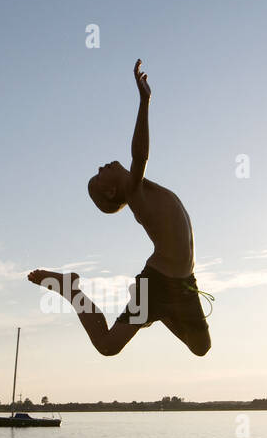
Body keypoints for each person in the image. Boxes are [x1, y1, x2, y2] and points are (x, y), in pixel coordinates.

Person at [28, 59, 212, 356]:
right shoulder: (134, 190)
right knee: (108, 345)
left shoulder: (144, 189)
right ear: (114, 190)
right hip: (154, 284)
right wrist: (145, 101)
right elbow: (139, 155)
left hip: (183, 283)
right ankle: (71, 290)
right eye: (99, 175)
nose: (102, 166)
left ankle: (160, 312)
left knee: (201, 347)